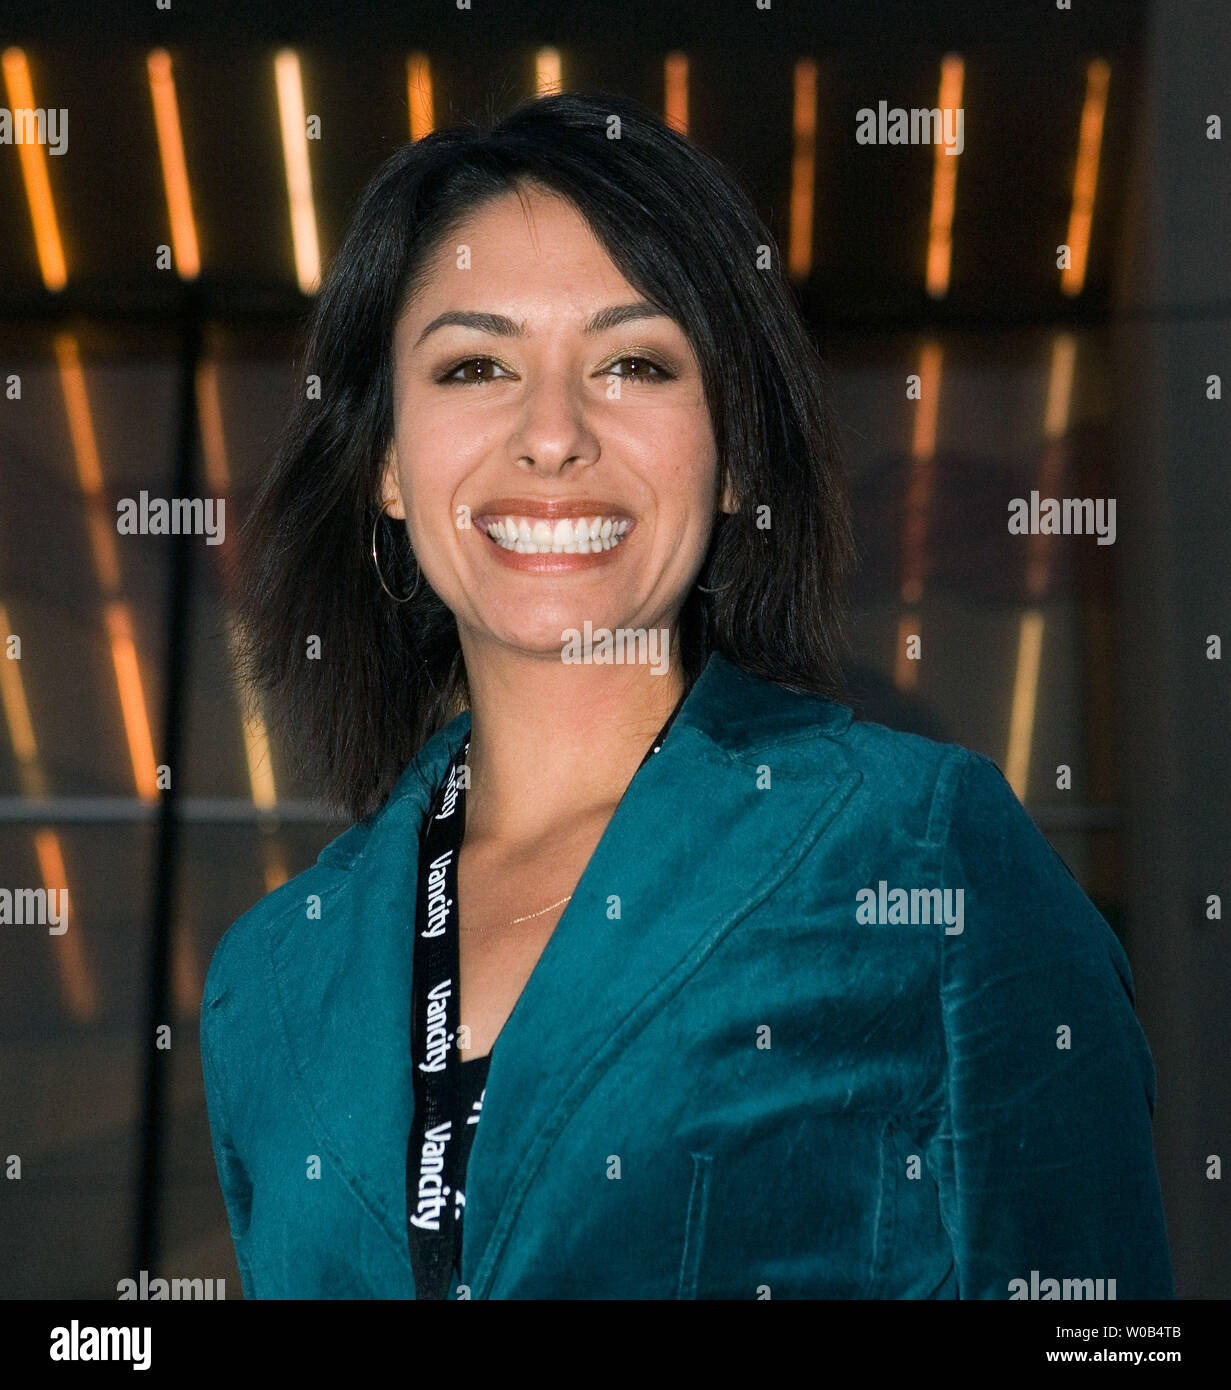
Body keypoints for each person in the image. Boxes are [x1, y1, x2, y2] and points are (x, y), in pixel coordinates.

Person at [201, 91, 1174, 1300]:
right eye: (474, 364)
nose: (551, 434)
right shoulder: (272, 980)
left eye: (633, 362)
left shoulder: (919, 852)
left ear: (729, 458)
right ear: (389, 464)